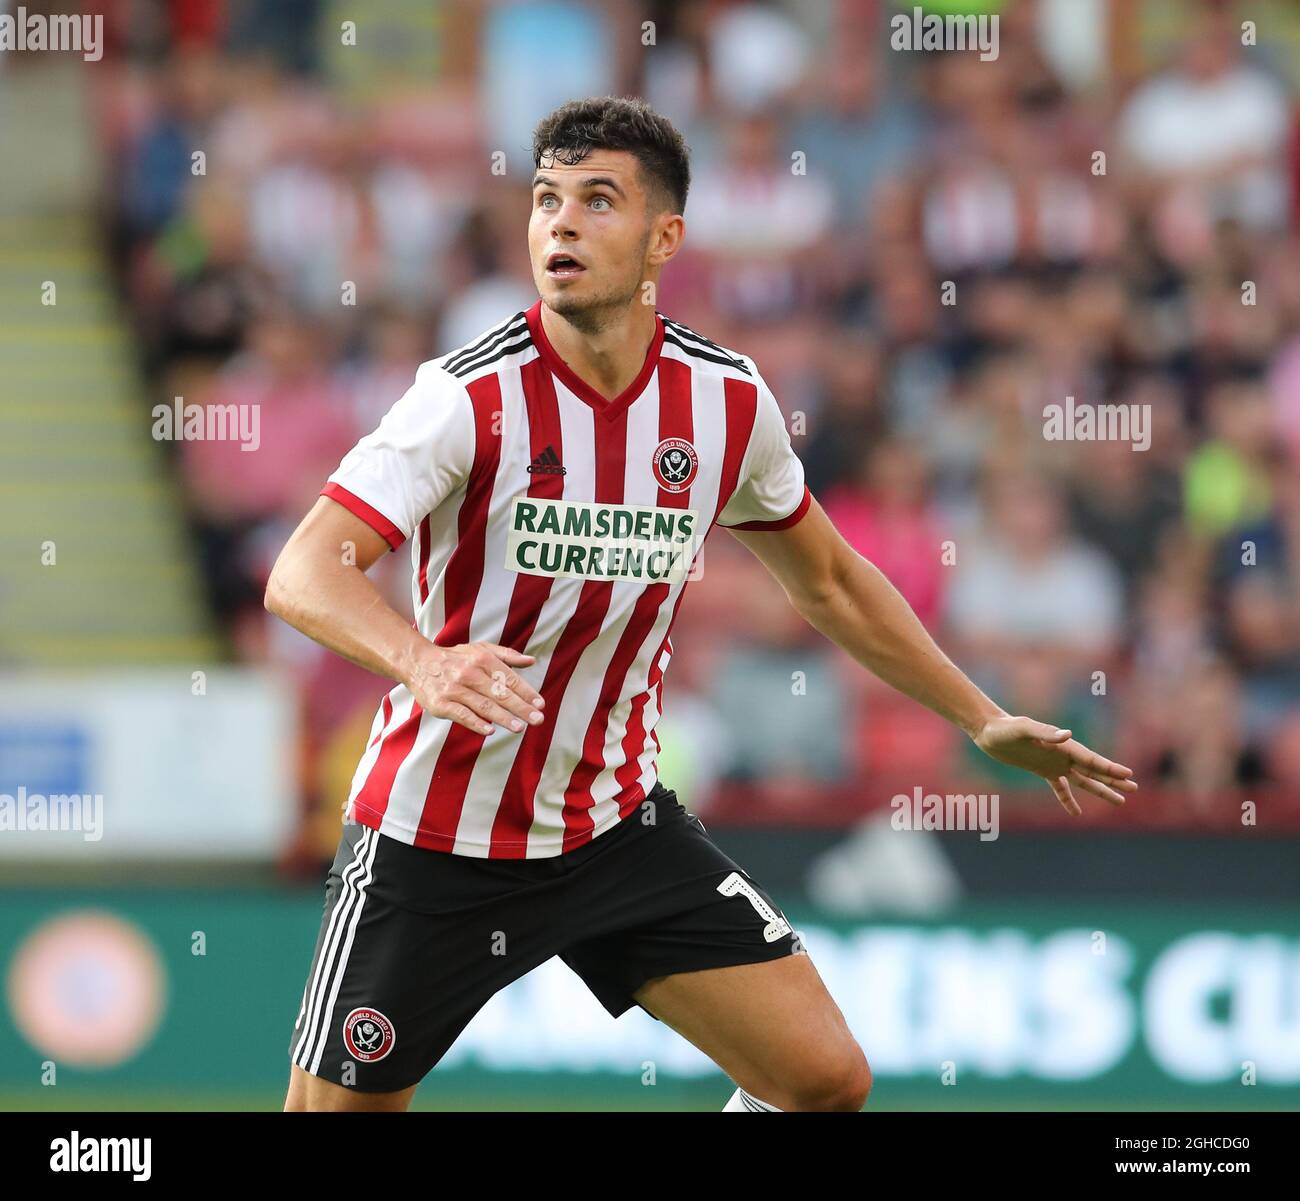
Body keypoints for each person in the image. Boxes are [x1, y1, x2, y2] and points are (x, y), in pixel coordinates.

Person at [267, 96, 1137, 1113]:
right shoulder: (465, 398)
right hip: (436, 836)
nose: (561, 223)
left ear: (663, 238)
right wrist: (424, 659)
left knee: (821, 1079)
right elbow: (303, 572)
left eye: (598, 201)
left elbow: (830, 579)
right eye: (547, 199)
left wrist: (979, 714)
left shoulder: (724, 403)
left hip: (610, 826)